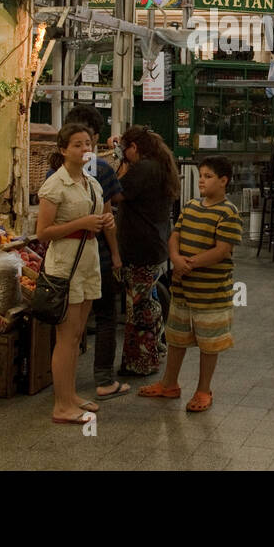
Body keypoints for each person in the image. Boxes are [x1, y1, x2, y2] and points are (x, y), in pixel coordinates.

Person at [138, 156, 240, 413]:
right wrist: (175, 258)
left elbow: (222, 250)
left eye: (208, 176)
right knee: (176, 337)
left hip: (212, 293)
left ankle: (204, 389)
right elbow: (176, 234)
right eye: (201, 175)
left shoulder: (228, 212)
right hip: (183, 290)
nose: (202, 181)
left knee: (210, 342)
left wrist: (189, 264)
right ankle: (169, 384)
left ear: (223, 181)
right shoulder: (192, 206)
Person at [36, 123, 116, 424]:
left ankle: (71, 397)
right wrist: (81, 223)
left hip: (88, 263)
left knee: (78, 334)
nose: (85, 150)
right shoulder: (55, 185)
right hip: (65, 266)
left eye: (88, 144)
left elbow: (97, 216)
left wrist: (105, 221)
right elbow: (43, 232)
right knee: (66, 338)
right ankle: (61, 405)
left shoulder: (91, 182)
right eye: (78, 145)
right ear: (63, 150)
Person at [57, 105, 127, 399]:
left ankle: (66, 388)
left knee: (71, 326)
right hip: (94, 256)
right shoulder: (103, 169)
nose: (86, 147)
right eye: (82, 143)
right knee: (106, 316)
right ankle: (102, 380)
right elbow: (113, 209)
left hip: (66, 260)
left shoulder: (54, 171)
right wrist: (116, 256)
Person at [113, 124, 177, 378]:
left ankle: (142, 361)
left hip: (141, 246)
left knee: (138, 306)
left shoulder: (143, 168)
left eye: (123, 149)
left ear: (134, 148)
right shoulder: (159, 165)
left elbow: (116, 194)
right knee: (147, 299)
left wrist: (119, 164)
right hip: (154, 244)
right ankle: (156, 348)